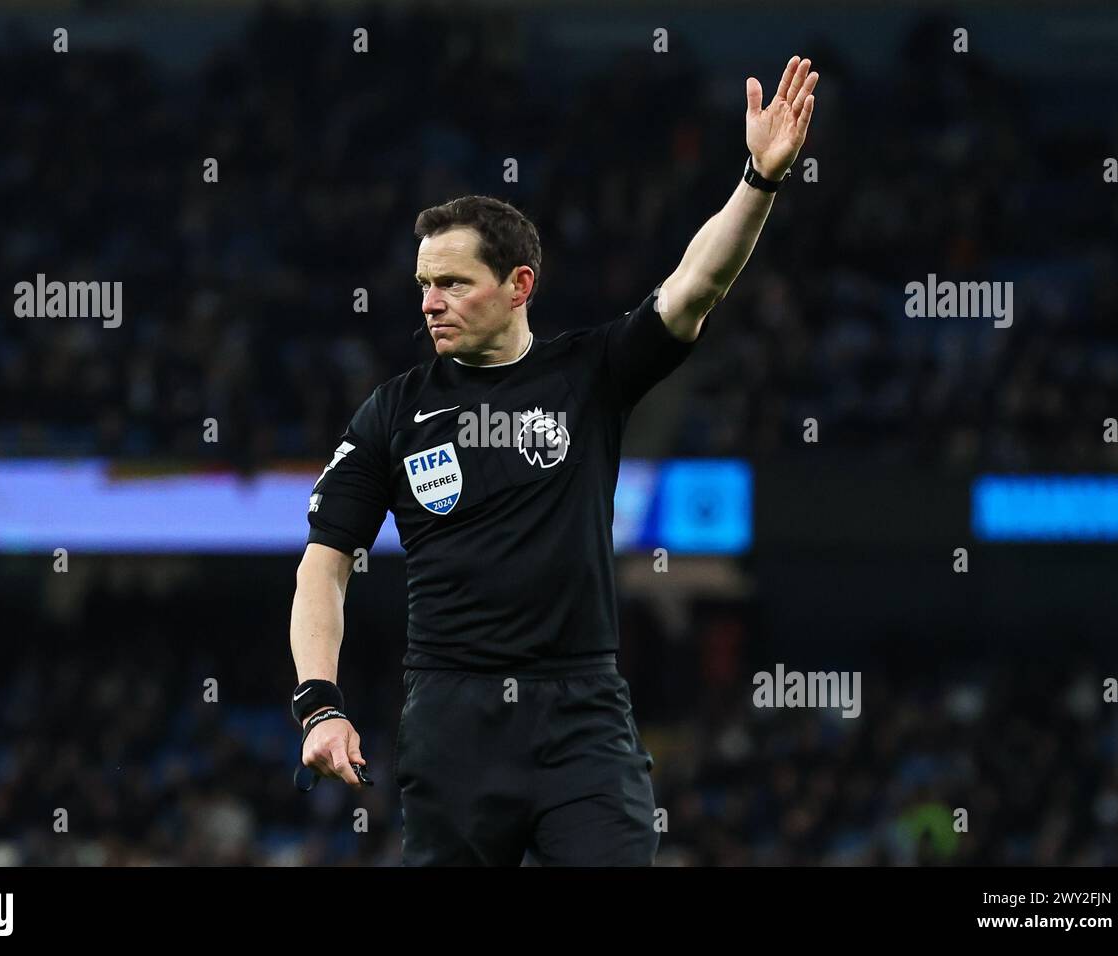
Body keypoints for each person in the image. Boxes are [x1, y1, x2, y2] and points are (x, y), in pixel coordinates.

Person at [289, 56, 819, 865]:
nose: (429, 301)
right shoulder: (392, 412)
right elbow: (323, 564)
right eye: (423, 283)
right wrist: (319, 706)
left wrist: (758, 180)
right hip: (451, 719)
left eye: (453, 283)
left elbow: (694, 286)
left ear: (518, 284)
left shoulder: (590, 375)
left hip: (583, 715)